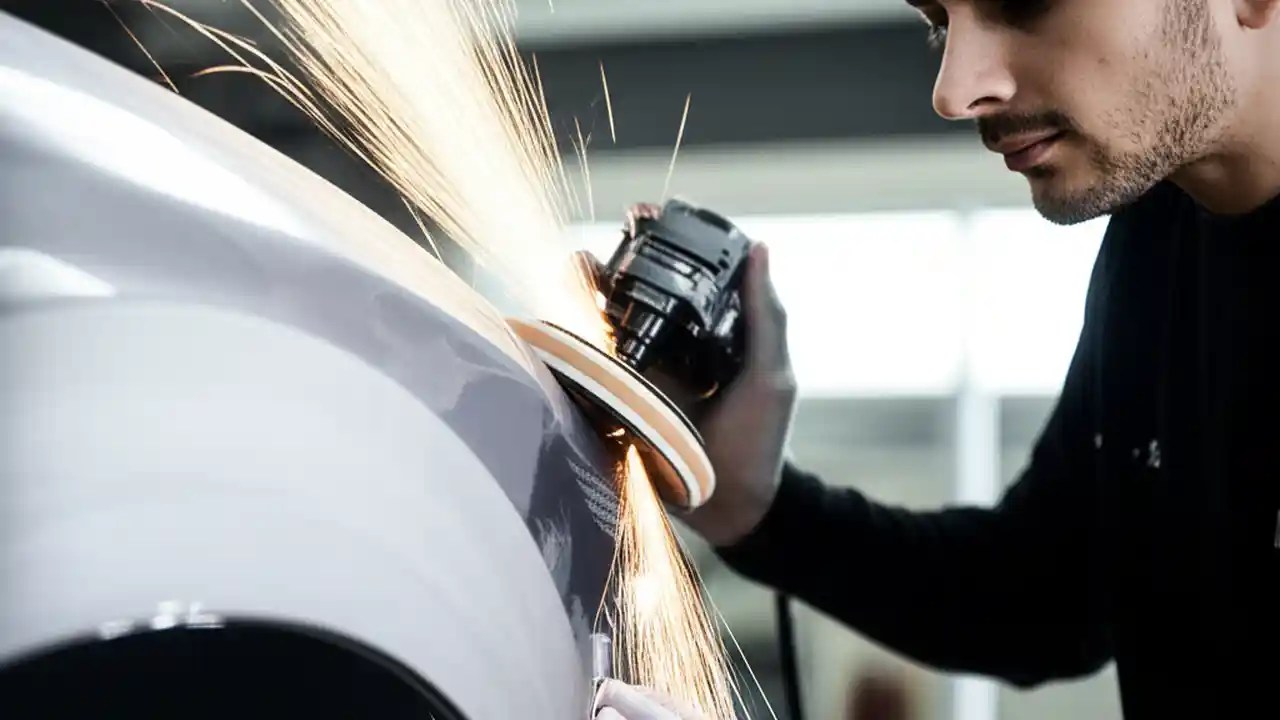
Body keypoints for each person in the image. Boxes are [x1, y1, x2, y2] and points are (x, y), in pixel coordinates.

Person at [595, 0, 1280, 717]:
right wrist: (752, 507)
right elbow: (1047, 594)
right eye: (938, 24)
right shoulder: (1154, 236)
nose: (953, 92)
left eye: (1022, 5)